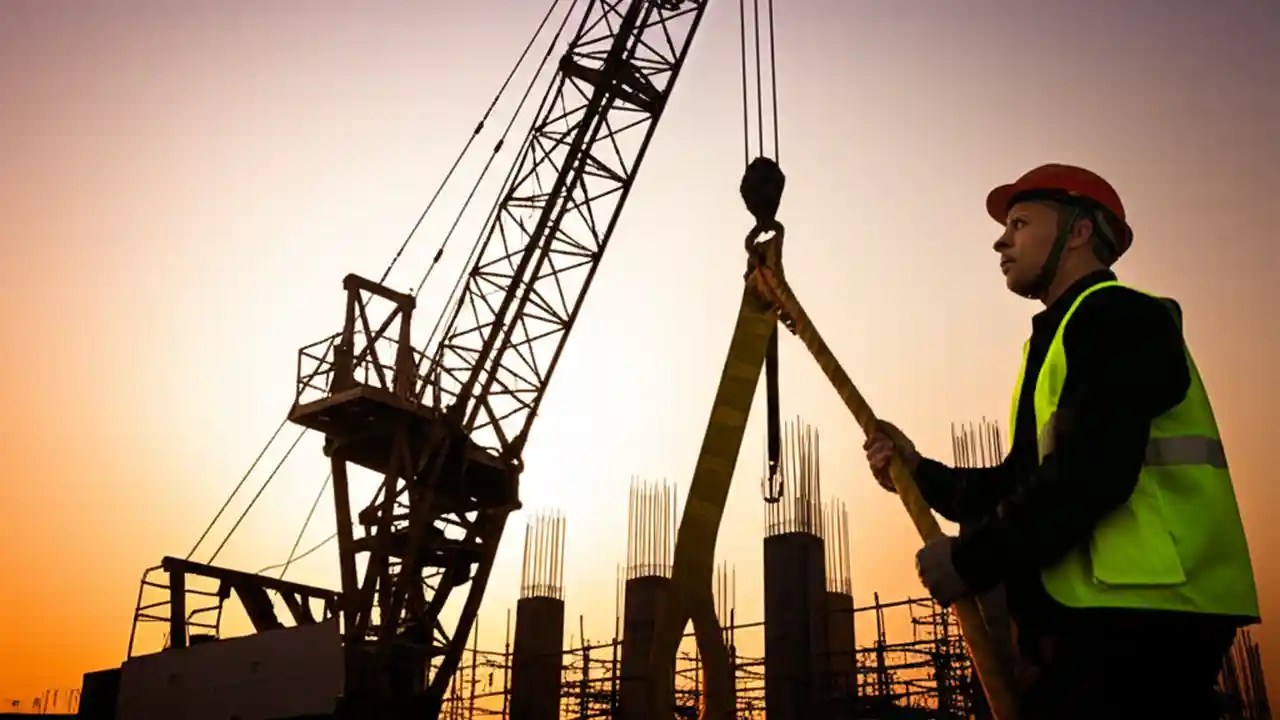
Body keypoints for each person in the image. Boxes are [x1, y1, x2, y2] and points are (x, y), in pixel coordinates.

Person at [863, 163, 1261, 719]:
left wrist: (970, 560)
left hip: (1142, 622)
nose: (1002, 240)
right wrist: (919, 471)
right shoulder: (1059, 339)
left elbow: (1090, 473)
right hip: (1099, 622)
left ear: (1078, 232)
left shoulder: (1121, 317)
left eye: (1021, 223)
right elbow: (1020, 481)